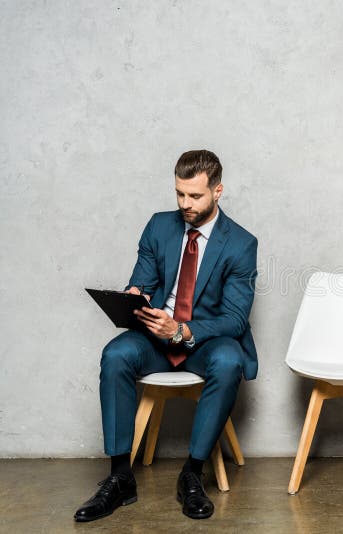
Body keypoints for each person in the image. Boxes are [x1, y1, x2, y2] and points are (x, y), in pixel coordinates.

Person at [74, 149, 258, 521]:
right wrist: (135, 295)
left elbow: (235, 319)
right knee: (115, 354)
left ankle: (192, 473)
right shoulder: (159, 226)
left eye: (195, 195)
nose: (185, 204)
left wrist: (183, 330)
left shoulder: (241, 243)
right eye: (179, 193)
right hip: (156, 337)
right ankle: (120, 477)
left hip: (203, 341)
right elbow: (142, 280)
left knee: (229, 360)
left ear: (218, 191)